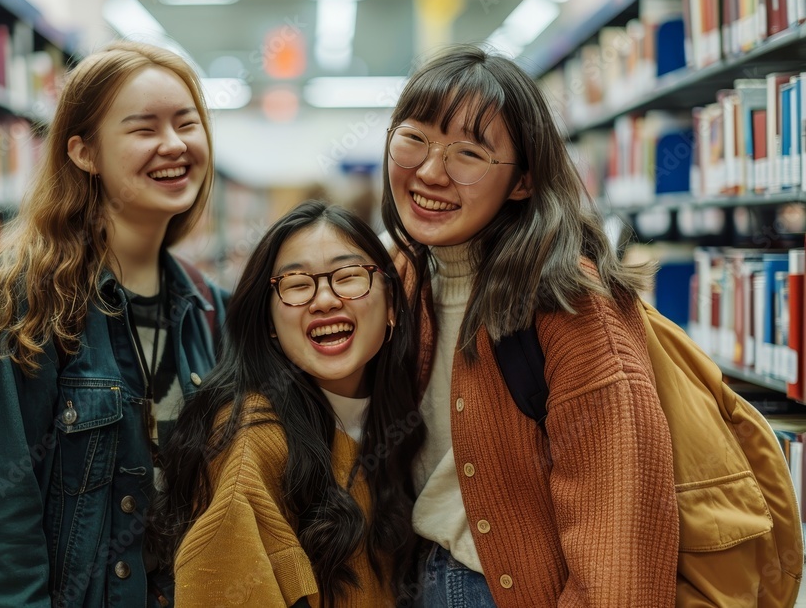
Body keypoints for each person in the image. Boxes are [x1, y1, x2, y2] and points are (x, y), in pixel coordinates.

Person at [382, 44, 679, 607]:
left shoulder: (570, 306)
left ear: (521, 182)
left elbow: (620, 532)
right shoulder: (401, 277)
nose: (429, 171)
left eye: (468, 154)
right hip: (409, 575)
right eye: (413, 138)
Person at [0, 40, 228, 608]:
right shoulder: (30, 299)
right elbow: (0, 520)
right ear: (84, 152)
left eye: (186, 123)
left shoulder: (211, 310)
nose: (173, 144)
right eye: (144, 128)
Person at [153, 200, 426, 607]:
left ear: (390, 305)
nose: (325, 299)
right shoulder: (256, 443)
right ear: (270, 325)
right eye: (297, 284)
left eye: (349, 276)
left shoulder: (403, 412)